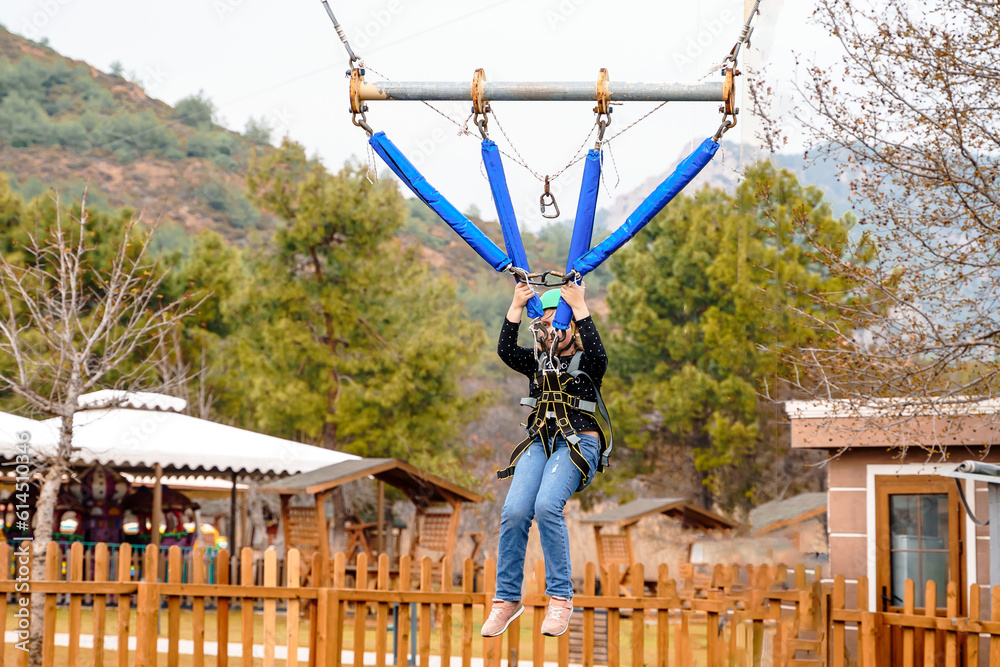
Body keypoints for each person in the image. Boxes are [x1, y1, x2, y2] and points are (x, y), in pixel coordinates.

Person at [481, 280, 609, 638]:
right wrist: (516, 306)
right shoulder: (536, 361)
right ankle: (506, 600)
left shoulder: (587, 362)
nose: (551, 331)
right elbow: (506, 350)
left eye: (559, 323)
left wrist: (579, 305)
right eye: (546, 324)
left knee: (547, 504)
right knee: (516, 510)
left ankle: (560, 599)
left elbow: (600, 354)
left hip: (577, 441)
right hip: (541, 440)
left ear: (571, 328)